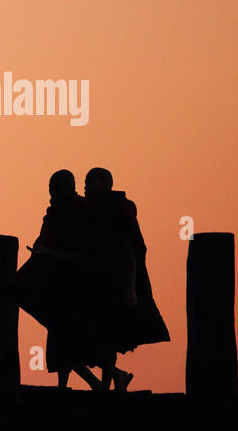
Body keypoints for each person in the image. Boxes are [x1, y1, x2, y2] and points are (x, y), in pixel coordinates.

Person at [82, 167, 169, 389]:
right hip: (98, 283)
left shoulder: (116, 210)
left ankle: (105, 385)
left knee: (110, 335)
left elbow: (130, 252)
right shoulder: (91, 212)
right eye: (86, 182)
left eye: (91, 182)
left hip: (117, 284)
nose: (86, 187)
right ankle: (114, 378)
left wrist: (131, 288)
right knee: (94, 334)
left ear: (106, 185)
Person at [14, 170, 99, 389]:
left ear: (69, 188)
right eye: (50, 191)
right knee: (59, 331)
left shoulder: (82, 212)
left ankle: (76, 384)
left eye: (55, 190)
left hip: (74, 283)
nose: (52, 196)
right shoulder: (55, 213)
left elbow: (86, 254)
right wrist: (40, 250)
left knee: (65, 334)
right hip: (53, 282)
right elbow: (46, 238)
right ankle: (76, 383)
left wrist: (50, 255)